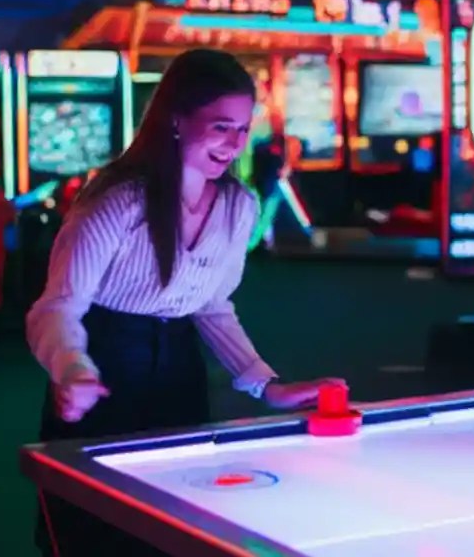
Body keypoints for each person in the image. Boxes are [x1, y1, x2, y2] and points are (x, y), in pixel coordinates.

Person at [26, 48, 342, 557]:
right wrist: (72, 369)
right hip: (104, 370)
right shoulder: (116, 201)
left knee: (174, 528)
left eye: (242, 129)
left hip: (180, 370)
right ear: (175, 120)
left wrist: (268, 385)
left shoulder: (239, 206)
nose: (234, 144)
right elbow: (57, 308)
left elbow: (213, 304)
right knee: (92, 533)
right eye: (220, 127)